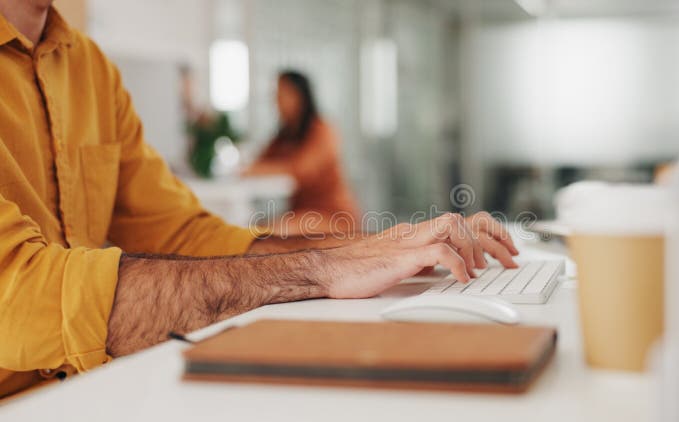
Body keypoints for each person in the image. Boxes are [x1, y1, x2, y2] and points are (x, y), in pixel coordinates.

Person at [0, 1, 519, 399]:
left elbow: (186, 234)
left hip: (86, 391)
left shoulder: (91, 67)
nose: (279, 102)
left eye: (283, 95)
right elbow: (19, 296)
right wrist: (320, 268)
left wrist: (384, 247)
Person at [243, 71, 358, 236]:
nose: (275, 100)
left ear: (298, 96)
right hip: (301, 212)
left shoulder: (323, 130)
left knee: (265, 233)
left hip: (333, 215)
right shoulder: (285, 134)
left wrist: (256, 169)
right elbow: (261, 161)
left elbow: (300, 169)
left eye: (280, 94)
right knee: (257, 228)